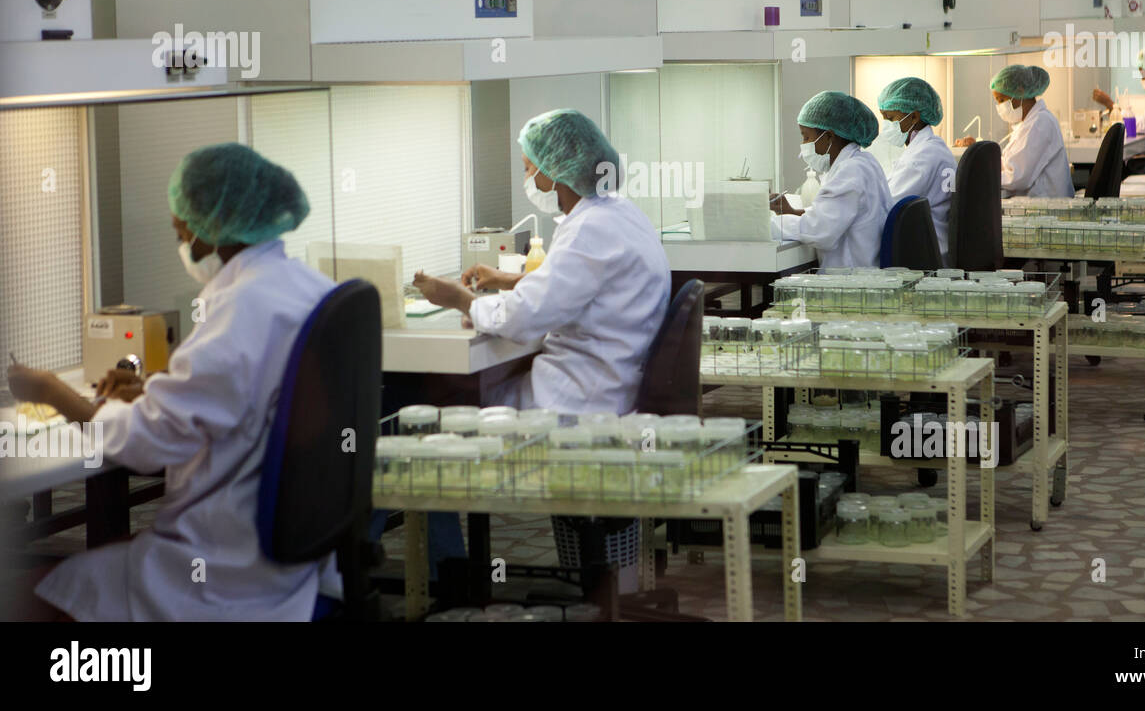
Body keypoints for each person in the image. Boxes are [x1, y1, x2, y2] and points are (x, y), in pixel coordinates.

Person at [6, 143, 342, 621]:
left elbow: (142, 444)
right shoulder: (306, 287)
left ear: (217, 229)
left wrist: (51, 392)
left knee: (32, 601)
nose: (183, 244)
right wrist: (155, 389)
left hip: (227, 569)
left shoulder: (240, 309)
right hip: (295, 554)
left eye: (182, 230)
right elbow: (243, 393)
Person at [414, 109, 670, 415]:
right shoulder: (620, 212)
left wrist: (462, 300)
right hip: (611, 383)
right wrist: (506, 280)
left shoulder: (588, 230)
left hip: (577, 400)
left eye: (528, 168)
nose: (528, 179)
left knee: (443, 392)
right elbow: (577, 287)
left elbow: (524, 315)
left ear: (555, 170)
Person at [768, 90, 894, 268]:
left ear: (828, 136)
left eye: (806, 137)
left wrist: (764, 225)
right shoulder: (862, 162)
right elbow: (833, 214)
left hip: (851, 280)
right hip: (860, 271)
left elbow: (820, 231)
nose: (804, 145)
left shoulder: (851, 171)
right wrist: (792, 211)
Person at [877, 77, 958, 263]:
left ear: (914, 117)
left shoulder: (923, 157)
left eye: (890, 118)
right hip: (935, 249)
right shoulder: (930, 147)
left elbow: (888, 206)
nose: (886, 125)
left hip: (928, 256)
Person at [984, 64, 1073, 198]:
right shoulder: (1028, 123)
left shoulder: (1041, 122)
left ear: (1020, 92)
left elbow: (1018, 177)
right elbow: (1011, 164)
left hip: (1046, 209)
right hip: (1035, 205)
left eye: (1002, 100)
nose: (1000, 107)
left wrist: (981, 177)